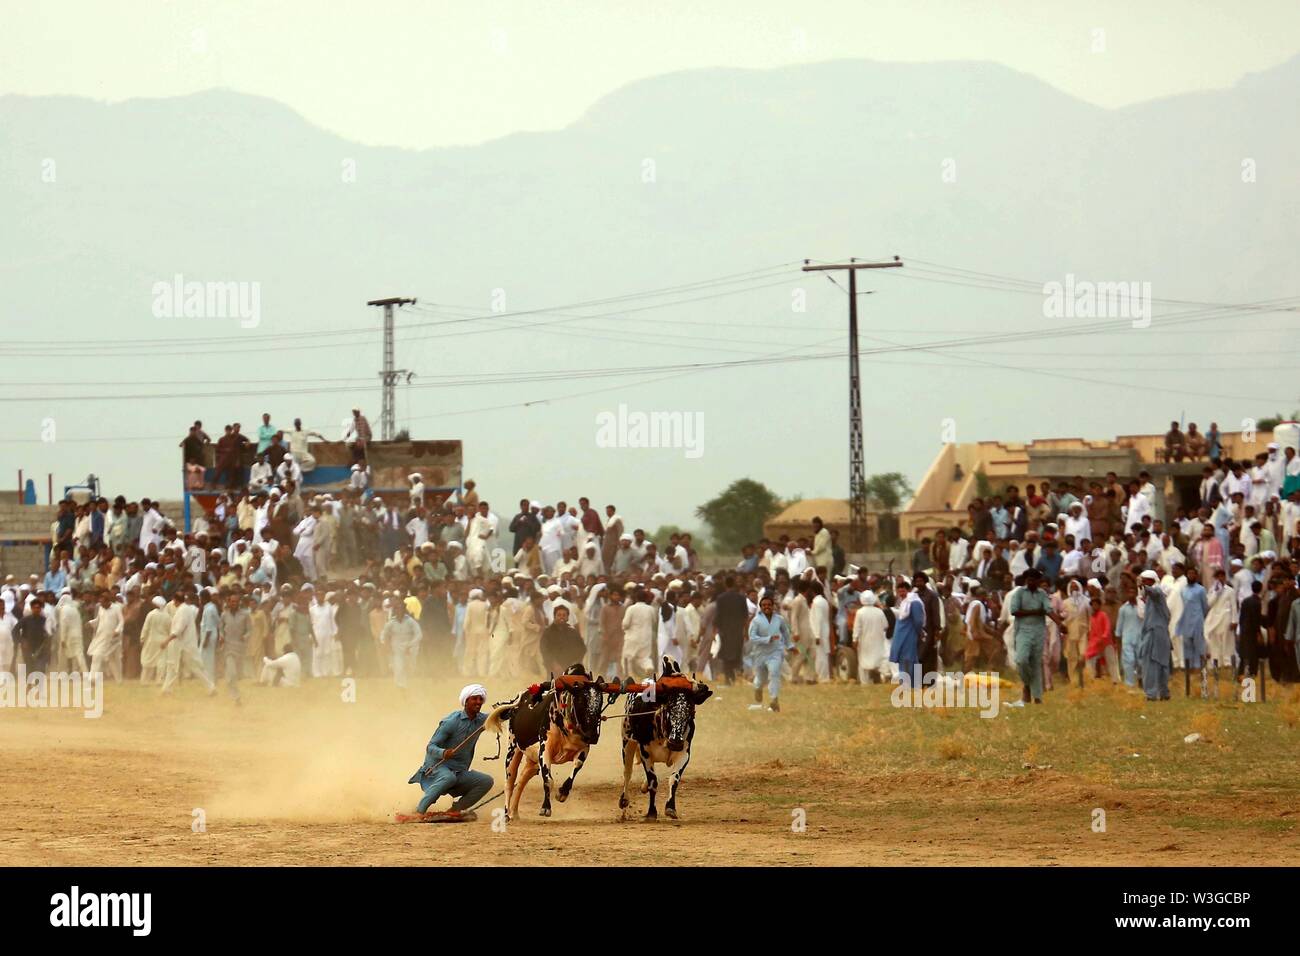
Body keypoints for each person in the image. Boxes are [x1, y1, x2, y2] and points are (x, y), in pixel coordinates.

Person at [407, 683, 494, 820]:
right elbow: (430, 747)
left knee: (486, 781)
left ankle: (456, 810)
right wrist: (444, 753)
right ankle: (419, 811)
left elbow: (499, 716)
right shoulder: (451, 721)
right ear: (466, 701)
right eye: (474, 699)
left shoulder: (482, 720)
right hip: (436, 768)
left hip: (459, 771)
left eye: (480, 699)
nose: (478, 702)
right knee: (448, 777)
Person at [1009, 569, 1058, 703]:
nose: (1031, 582)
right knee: (1021, 660)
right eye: (1029, 580)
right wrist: (1036, 611)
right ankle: (1027, 685)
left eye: (1034, 580)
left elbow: (1048, 610)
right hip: (1023, 631)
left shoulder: (1042, 594)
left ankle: (1037, 697)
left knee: (1036, 663)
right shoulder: (1019, 593)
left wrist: (1060, 624)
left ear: (1038, 581)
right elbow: (1014, 611)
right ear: (1026, 580)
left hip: (1038, 631)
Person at [747, 594, 791, 712]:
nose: (767, 607)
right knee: (761, 679)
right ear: (760, 607)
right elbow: (752, 637)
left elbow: (785, 633)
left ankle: (774, 699)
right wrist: (767, 639)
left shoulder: (779, 619)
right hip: (760, 653)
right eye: (764, 605)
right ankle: (757, 688)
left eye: (769, 605)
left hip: (775, 652)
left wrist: (790, 645)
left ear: (773, 606)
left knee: (774, 673)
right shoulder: (756, 621)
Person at [1137, 570, 1172, 700]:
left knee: (1151, 664)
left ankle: (1151, 694)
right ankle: (1164, 693)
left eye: (1146, 581)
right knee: (1161, 664)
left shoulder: (1157, 593)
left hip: (1155, 634)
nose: (1143, 585)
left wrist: (1144, 587)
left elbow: (1155, 592)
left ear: (1151, 581)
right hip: (1159, 634)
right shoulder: (1150, 601)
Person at [540, 604, 586, 677]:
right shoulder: (548, 632)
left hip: (571, 670)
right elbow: (544, 650)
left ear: (567, 618)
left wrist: (575, 663)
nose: (561, 617)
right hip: (553, 670)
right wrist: (554, 664)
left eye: (564, 615)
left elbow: (582, 648)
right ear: (554, 617)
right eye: (559, 615)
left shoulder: (573, 632)